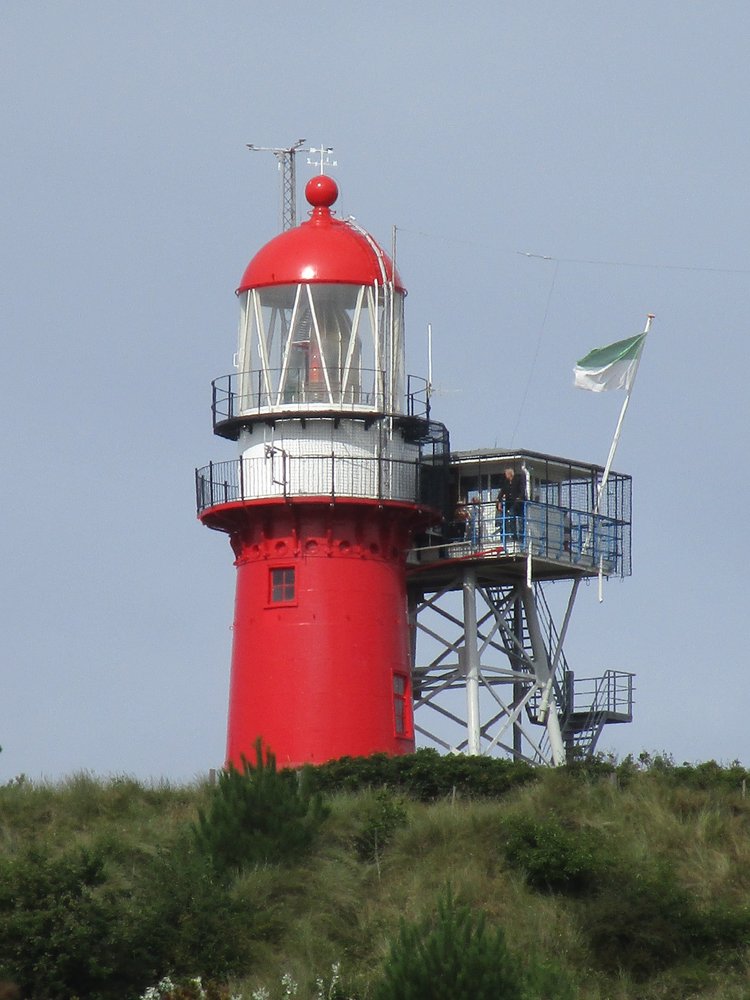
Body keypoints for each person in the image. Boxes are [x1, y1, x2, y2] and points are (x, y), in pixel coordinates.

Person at [495, 467, 525, 541]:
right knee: (505, 516)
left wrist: (519, 498)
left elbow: (522, 491)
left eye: (506, 474)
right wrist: (498, 500)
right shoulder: (506, 483)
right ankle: (507, 535)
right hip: (509, 504)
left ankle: (517, 536)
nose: (505, 475)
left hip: (517, 504)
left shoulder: (518, 480)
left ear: (510, 474)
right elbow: (502, 492)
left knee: (515, 517)